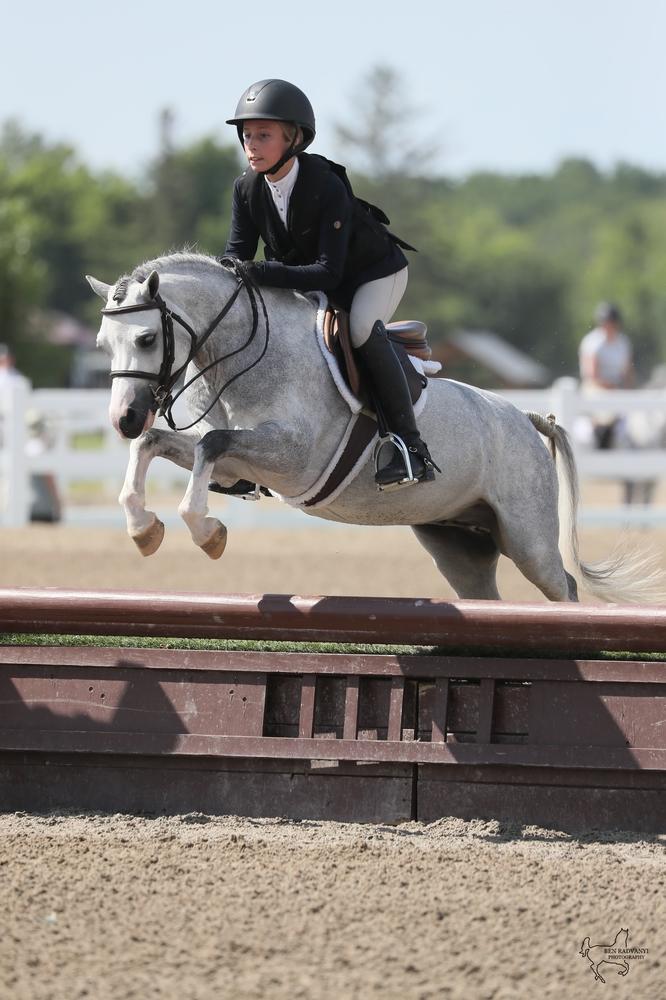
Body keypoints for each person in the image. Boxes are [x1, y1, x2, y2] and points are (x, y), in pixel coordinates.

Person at [221, 78, 438, 491]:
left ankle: (411, 449)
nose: (252, 145)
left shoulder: (324, 182)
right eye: (247, 135)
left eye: (264, 135)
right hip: (313, 278)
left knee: (359, 330)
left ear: (294, 138)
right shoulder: (246, 189)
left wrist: (262, 273)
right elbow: (238, 255)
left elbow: (327, 274)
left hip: (374, 273)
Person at [578, 302, 634, 448]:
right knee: (605, 417)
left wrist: (630, 391)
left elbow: (627, 371)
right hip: (596, 388)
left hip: (616, 388)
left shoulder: (623, 342)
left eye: (612, 323)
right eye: (607, 323)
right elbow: (592, 375)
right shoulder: (592, 342)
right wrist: (612, 386)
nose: (609, 326)